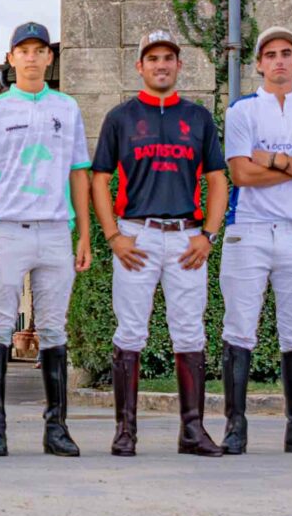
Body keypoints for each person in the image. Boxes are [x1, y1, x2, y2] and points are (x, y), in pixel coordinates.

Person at [90, 31, 227, 457]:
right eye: (153, 59)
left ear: (179, 65)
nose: (161, 65)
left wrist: (208, 235)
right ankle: (125, 431)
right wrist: (113, 235)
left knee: (189, 330)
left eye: (169, 58)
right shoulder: (121, 117)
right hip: (138, 235)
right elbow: (100, 178)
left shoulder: (199, 118)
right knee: (130, 330)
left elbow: (218, 179)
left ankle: (192, 431)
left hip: (187, 237)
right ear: (140, 67)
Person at [0, 20, 92, 458]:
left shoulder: (67, 108)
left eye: (40, 50)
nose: (33, 57)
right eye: (24, 50)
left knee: (55, 328)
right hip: (8, 231)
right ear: (11, 57)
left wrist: (84, 232)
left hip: (56, 229)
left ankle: (56, 428)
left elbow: (80, 172)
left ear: (50, 57)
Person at [219, 25, 292, 456]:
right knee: (239, 328)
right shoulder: (243, 110)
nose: (280, 61)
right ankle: (236, 427)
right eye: (271, 54)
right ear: (258, 63)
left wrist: (276, 158)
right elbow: (241, 173)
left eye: (287, 53)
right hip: (248, 230)